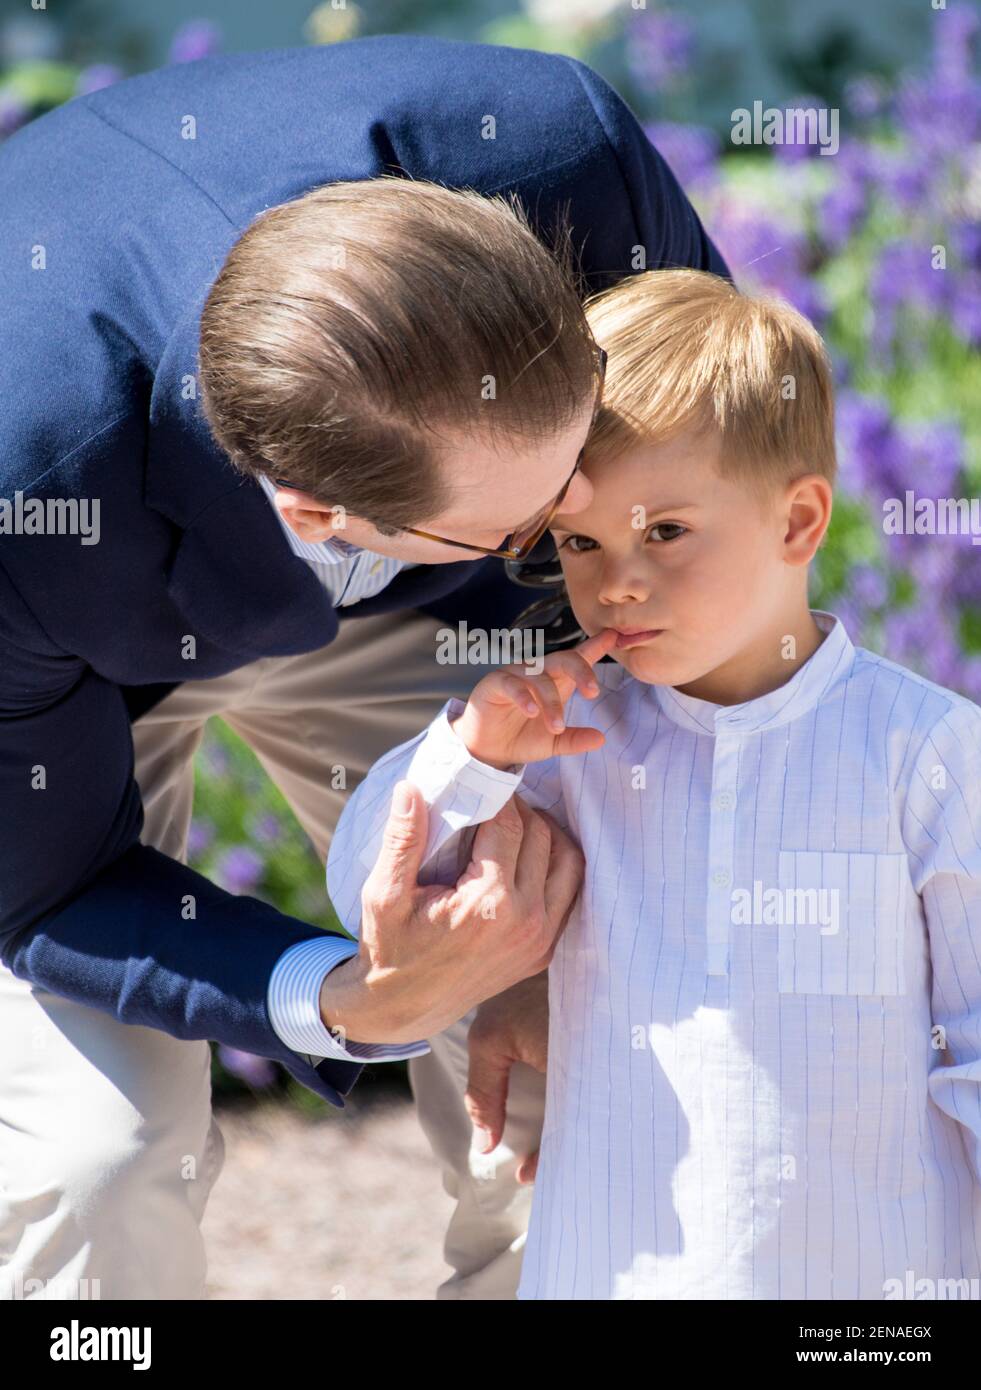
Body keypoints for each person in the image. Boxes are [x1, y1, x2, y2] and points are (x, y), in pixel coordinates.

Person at [0, 36, 728, 1299]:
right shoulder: (25, 500)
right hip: (67, 655)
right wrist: (360, 997)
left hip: (451, 627)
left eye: (584, 437)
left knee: (601, 1071)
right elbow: (39, 888)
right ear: (319, 511)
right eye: (532, 518)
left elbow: (716, 534)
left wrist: (553, 905)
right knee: (93, 1169)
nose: (584, 516)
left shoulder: (565, 157)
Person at [328, 268, 981, 1299]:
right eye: (580, 542)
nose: (615, 579)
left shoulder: (929, 756)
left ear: (800, 522)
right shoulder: (559, 746)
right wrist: (473, 753)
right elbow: (365, 881)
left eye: (665, 531)